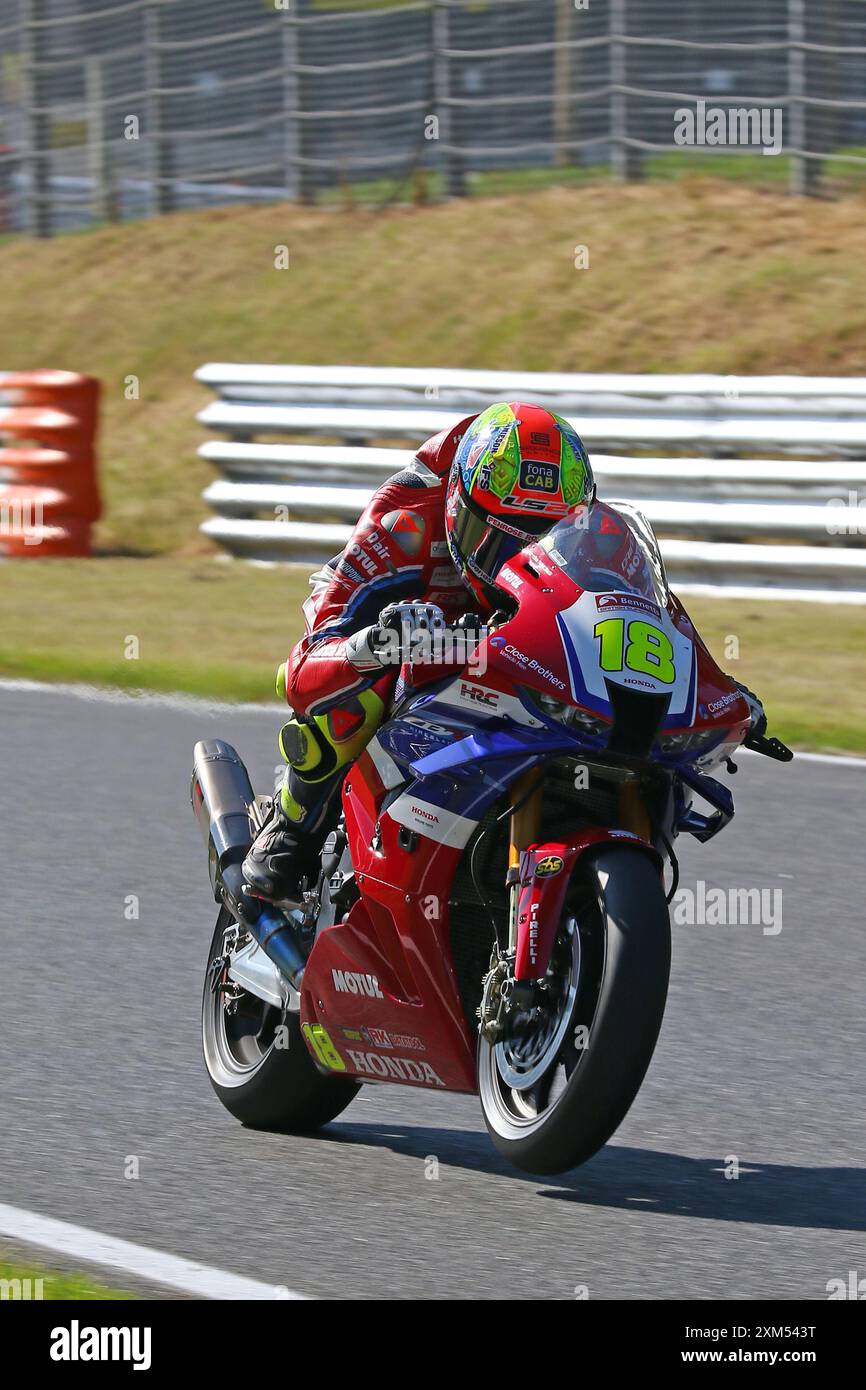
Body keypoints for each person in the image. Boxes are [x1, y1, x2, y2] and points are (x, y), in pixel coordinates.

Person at [241, 401, 597, 903]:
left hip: (512, 639)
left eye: (541, 540)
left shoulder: (581, 519)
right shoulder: (403, 524)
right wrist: (376, 644)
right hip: (414, 627)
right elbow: (303, 674)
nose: (511, 567)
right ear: (458, 506)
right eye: (496, 540)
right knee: (353, 699)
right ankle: (294, 825)